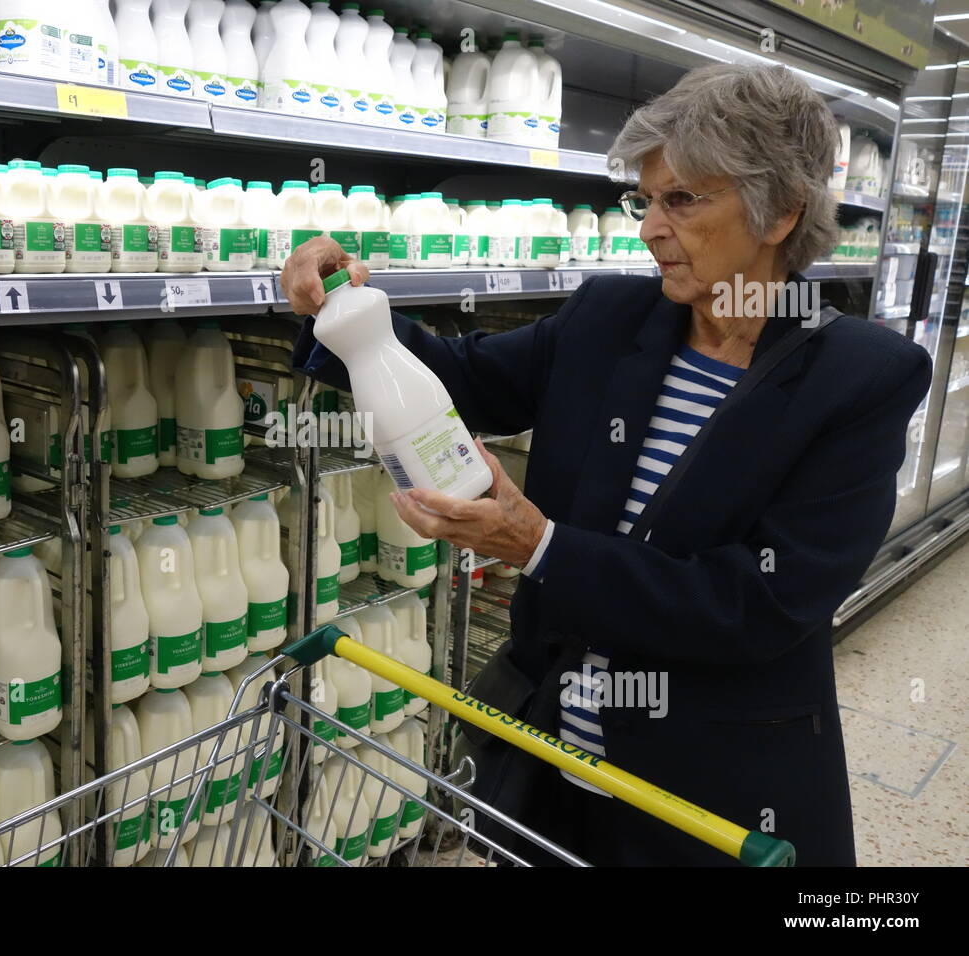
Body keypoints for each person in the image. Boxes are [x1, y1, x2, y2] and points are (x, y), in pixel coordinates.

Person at [279, 63, 931, 866]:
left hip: (707, 797)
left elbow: (757, 603)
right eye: (644, 200)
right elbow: (465, 377)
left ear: (780, 212)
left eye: (684, 200)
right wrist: (342, 318)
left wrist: (541, 545)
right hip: (553, 766)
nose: (651, 227)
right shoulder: (608, 316)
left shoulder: (859, 378)